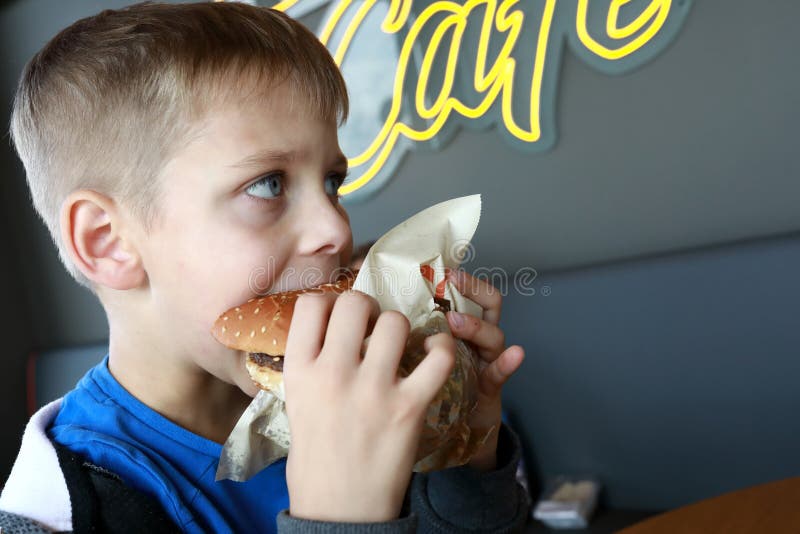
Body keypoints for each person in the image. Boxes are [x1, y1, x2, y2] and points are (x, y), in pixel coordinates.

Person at [0, 2, 529, 532]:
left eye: (331, 182)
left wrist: (462, 455)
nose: (337, 230)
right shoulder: (62, 508)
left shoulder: (353, 391)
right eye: (268, 184)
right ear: (108, 242)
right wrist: (337, 520)